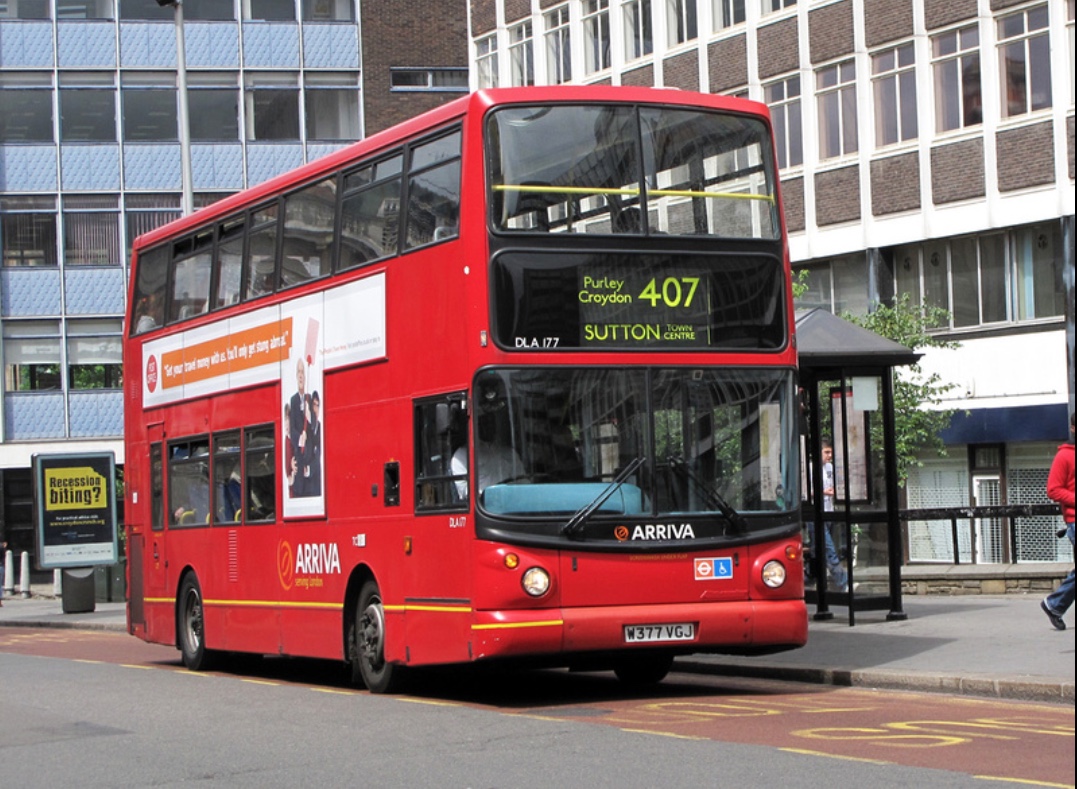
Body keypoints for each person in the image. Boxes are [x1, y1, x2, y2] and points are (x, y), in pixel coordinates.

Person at [1042, 412, 1074, 631]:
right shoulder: (1064, 456)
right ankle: (1054, 604)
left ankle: (1054, 605)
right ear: (1073, 428)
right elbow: (1053, 489)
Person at [820, 438, 848, 593]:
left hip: (830, 511)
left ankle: (809, 579)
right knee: (829, 549)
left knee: (820, 549)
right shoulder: (810, 469)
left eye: (831, 452)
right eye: (826, 452)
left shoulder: (831, 467)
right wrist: (824, 492)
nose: (829, 455)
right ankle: (843, 583)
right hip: (818, 514)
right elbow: (804, 493)